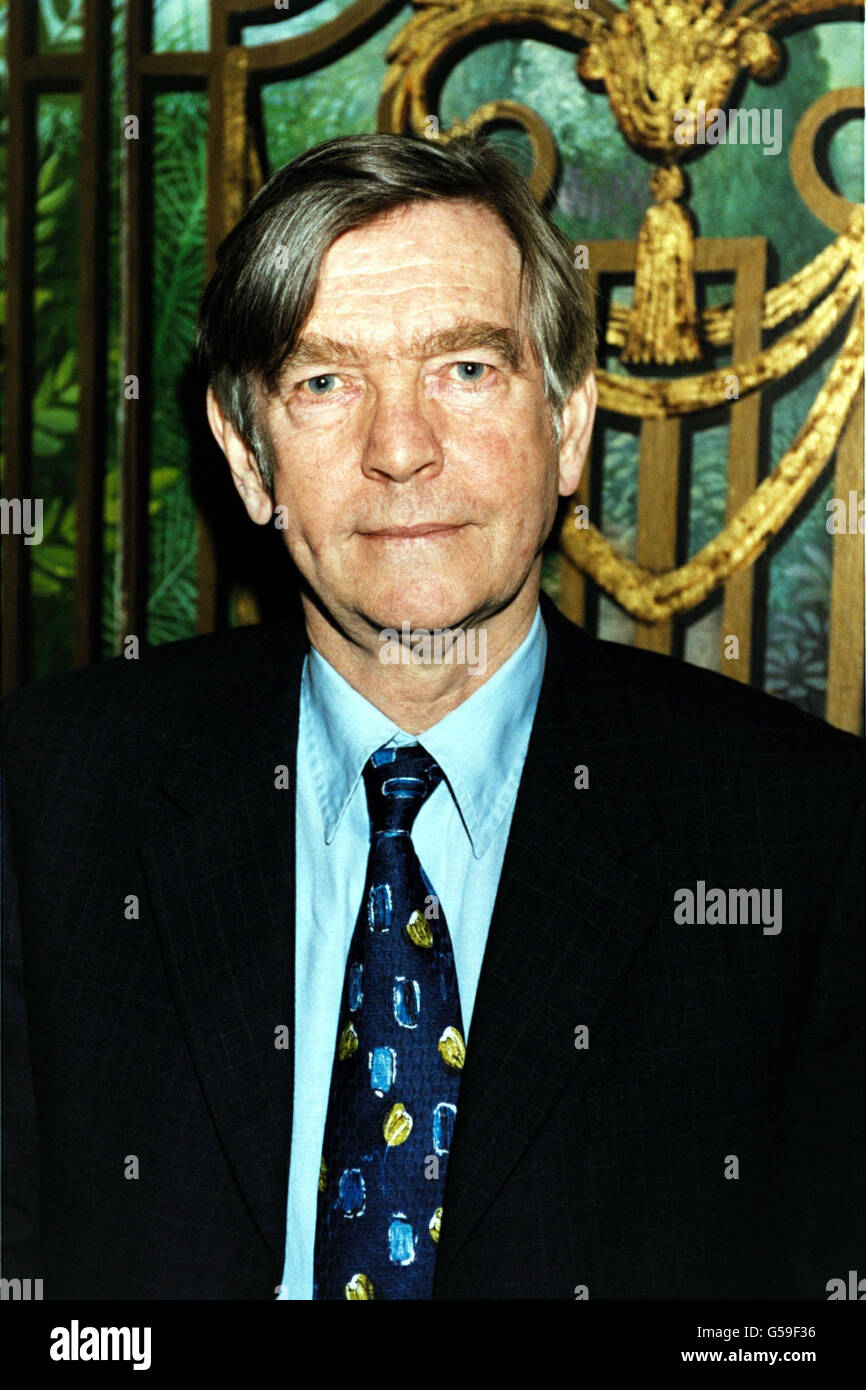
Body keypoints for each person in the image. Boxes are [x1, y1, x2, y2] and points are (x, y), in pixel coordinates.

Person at [2, 133, 862, 1301]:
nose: (399, 449)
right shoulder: (48, 797)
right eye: (324, 380)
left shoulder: (799, 835)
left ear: (566, 426)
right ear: (248, 457)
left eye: (465, 369)